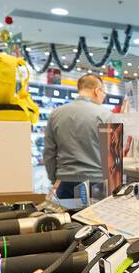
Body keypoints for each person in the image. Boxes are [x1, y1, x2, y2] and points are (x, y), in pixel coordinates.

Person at [44, 72, 113, 200]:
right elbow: (114, 156)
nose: (104, 97)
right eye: (104, 93)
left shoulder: (56, 114)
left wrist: (55, 179)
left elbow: (49, 153)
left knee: (68, 218)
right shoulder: (106, 115)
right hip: (97, 183)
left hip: (65, 182)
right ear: (97, 91)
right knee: (95, 219)